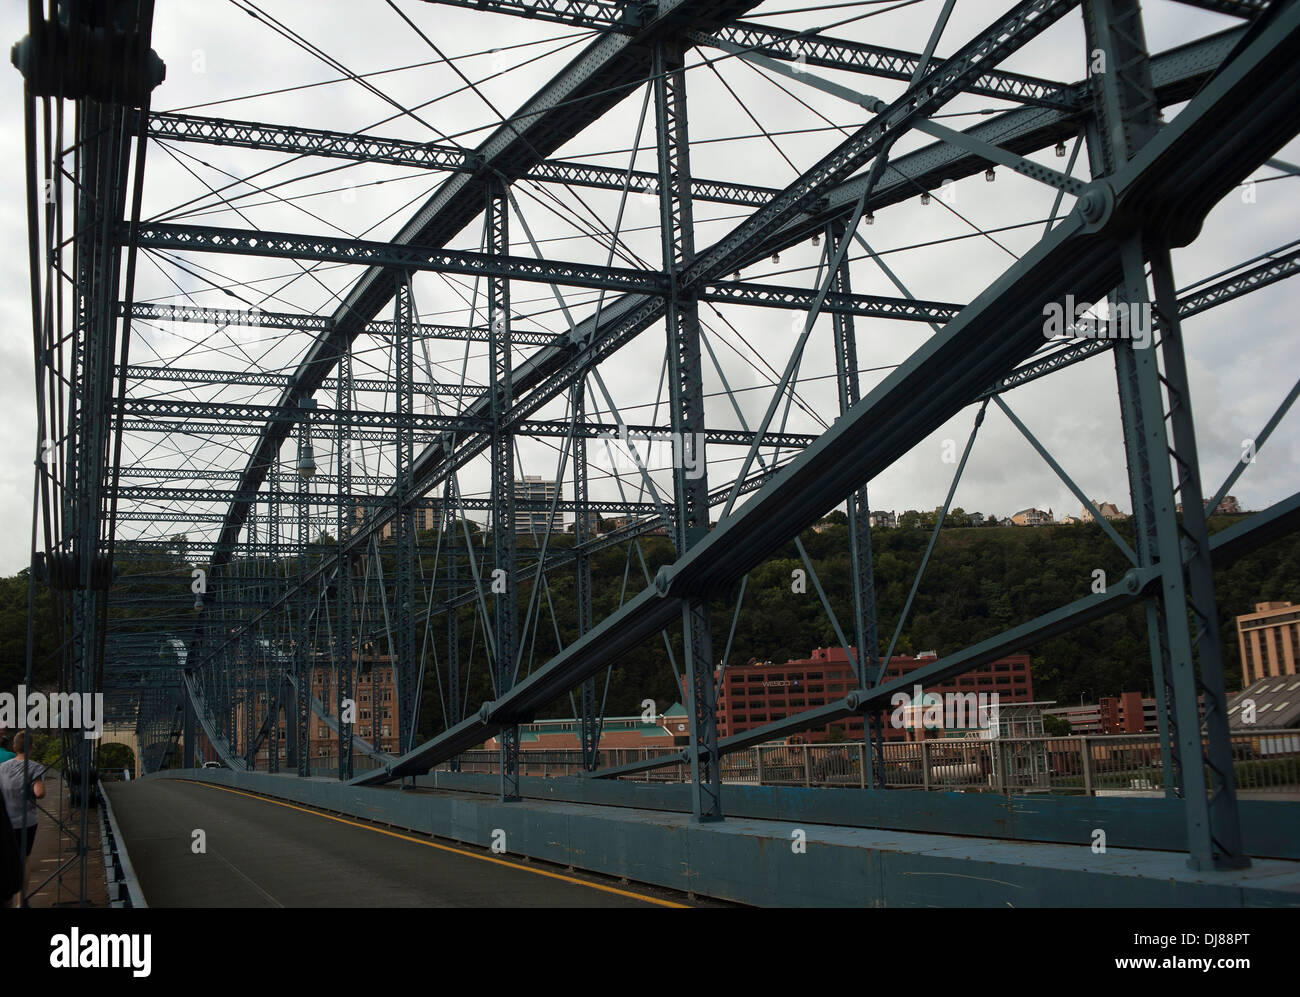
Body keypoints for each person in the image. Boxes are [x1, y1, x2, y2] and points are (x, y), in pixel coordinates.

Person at [0, 732, 45, 906]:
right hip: (26, 821)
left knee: (7, 857)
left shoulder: (2, 768)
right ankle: (21, 901)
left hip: (6, 820)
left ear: (14, 747)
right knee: (24, 858)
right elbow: (39, 793)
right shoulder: (34, 767)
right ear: (31, 748)